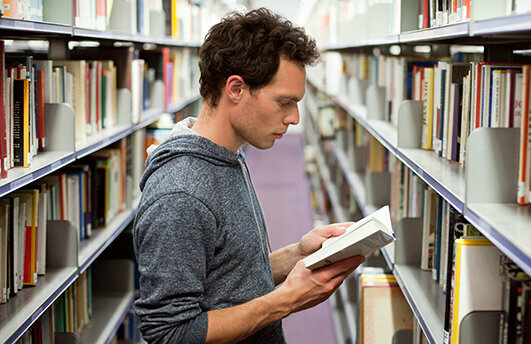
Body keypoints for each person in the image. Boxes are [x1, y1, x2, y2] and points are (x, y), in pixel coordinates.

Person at [132, 7, 365, 344]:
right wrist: (285, 301)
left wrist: (297, 254)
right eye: (284, 102)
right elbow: (171, 333)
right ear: (236, 89)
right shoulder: (180, 195)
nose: (295, 117)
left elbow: (225, 280)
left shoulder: (227, 157)